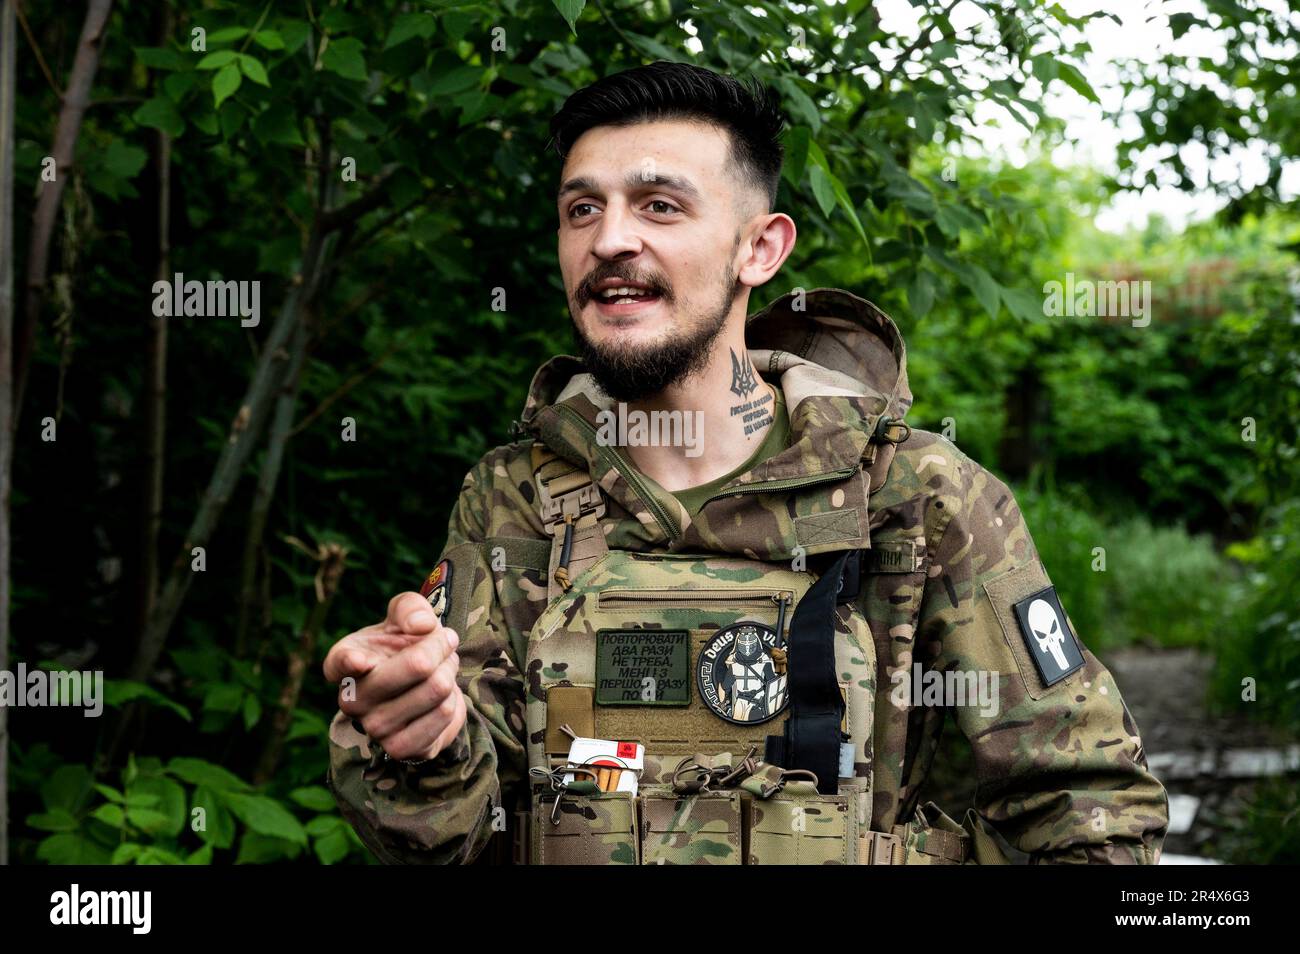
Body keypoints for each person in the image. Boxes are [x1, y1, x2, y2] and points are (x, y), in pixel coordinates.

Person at [323, 61, 1169, 865]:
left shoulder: (914, 495)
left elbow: (1090, 809)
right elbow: (454, 838)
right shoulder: (514, 495)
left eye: (658, 206)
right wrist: (421, 741)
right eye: (583, 209)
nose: (610, 239)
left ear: (758, 250)